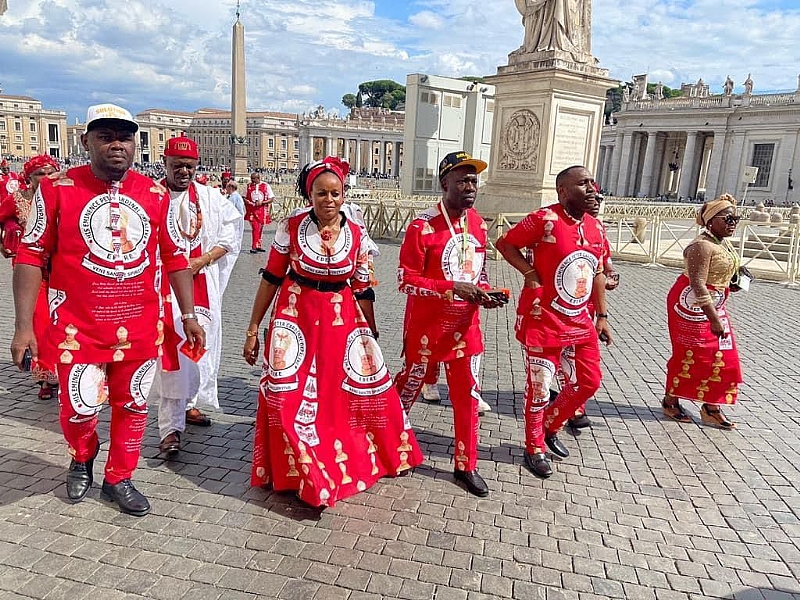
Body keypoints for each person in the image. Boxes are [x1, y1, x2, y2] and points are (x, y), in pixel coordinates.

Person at [10, 103, 204, 516]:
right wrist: (23, 326)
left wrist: (189, 316)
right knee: (78, 407)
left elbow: (174, 258)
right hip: (76, 328)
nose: (117, 145)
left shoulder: (154, 195)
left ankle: (120, 477)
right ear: (86, 142)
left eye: (125, 137)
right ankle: (83, 455)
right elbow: (29, 255)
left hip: (138, 326)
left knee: (133, 403)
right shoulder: (57, 189)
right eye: (106, 136)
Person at [242, 157, 422, 508]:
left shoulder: (356, 233)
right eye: (321, 193)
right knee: (287, 393)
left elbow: (362, 285)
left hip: (341, 319)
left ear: (344, 195)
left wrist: (370, 331)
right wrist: (252, 328)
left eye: (335, 193)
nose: (329, 200)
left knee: (340, 393)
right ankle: (299, 472)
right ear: (309, 194)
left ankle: (354, 458)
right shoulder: (290, 227)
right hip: (295, 316)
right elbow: (271, 277)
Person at [394, 151, 505, 497]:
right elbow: (405, 279)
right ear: (445, 184)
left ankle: (465, 464)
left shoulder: (480, 224)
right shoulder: (422, 227)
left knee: (468, 397)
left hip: (465, 329)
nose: (471, 187)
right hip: (426, 329)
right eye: (463, 180)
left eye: (474, 181)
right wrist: (451, 287)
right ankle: (390, 446)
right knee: (408, 391)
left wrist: (484, 293)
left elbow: (478, 272)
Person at [496, 165, 612, 479]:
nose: (591, 188)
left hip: (581, 321)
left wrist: (601, 316)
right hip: (543, 318)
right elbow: (505, 244)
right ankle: (533, 447)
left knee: (589, 382)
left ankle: (550, 426)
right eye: (583, 183)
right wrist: (531, 274)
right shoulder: (543, 219)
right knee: (540, 388)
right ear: (562, 191)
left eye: (592, 182)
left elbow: (598, 272)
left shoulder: (596, 228)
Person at [151, 136, 243, 455]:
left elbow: (231, 236)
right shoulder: (151, 196)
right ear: (165, 164)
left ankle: (188, 402)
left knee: (198, 347)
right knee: (171, 356)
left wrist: (202, 260)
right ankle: (170, 428)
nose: (184, 171)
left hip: (201, 285)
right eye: (177, 165)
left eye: (190, 166)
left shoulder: (210, 197)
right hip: (162, 288)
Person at [662, 195, 743, 429]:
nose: (733, 222)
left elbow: (717, 275)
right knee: (690, 354)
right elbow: (697, 284)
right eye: (727, 218)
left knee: (725, 356)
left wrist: (731, 283)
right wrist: (714, 319)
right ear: (710, 221)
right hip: (691, 307)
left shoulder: (720, 242)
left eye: (736, 218)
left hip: (714, 303)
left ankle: (711, 406)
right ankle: (670, 401)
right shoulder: (701, 246)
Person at [0, 155, 61, 399]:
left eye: (49, 173)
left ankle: (66, 371)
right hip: (31, 271)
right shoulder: (18, 200)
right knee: (40, 322)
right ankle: (45, 377)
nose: (45, 178)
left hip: (60, 268)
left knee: (62, 321)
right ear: (29, 177)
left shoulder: (62, 196)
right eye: (39, 174)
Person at [244, 172, 275, 253]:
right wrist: (248, 202)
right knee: (255, 228)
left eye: (253, 178)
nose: (252, 180)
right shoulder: (248, 186)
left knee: (260, 228)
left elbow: (271, 198)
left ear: (258, 178)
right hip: (252, 211)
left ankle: (258, 245)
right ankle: (254, 246)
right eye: (251, 178)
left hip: (262, 211)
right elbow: (243, 197)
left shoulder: (266, 186)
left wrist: (263, 202)